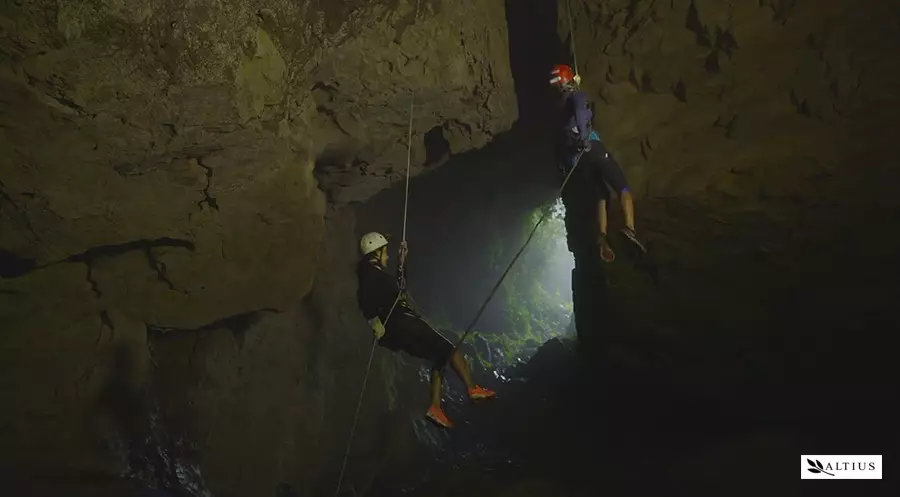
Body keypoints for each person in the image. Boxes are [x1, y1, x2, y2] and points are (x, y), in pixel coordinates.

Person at [355, 232, 495, 428]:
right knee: (451, 350)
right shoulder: (371, 274)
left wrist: (402, 262)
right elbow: (365, 298)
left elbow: (398, 289)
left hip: (397, 331)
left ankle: (435, 408)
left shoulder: (373, 273)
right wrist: (373, 321)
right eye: (385, 252)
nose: (387, 256)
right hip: (404, 323)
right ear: (376, 253)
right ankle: (472, 389)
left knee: (440, 358)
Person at [550, 63, 646, 262]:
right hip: (592, 148)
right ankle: (630, 228)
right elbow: (579, 110)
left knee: (601, 196)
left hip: (579, 161)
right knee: (623, 189)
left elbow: (564, 136)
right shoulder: (577, 97)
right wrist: (585, 138)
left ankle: (602, 237)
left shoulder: (560, 107)